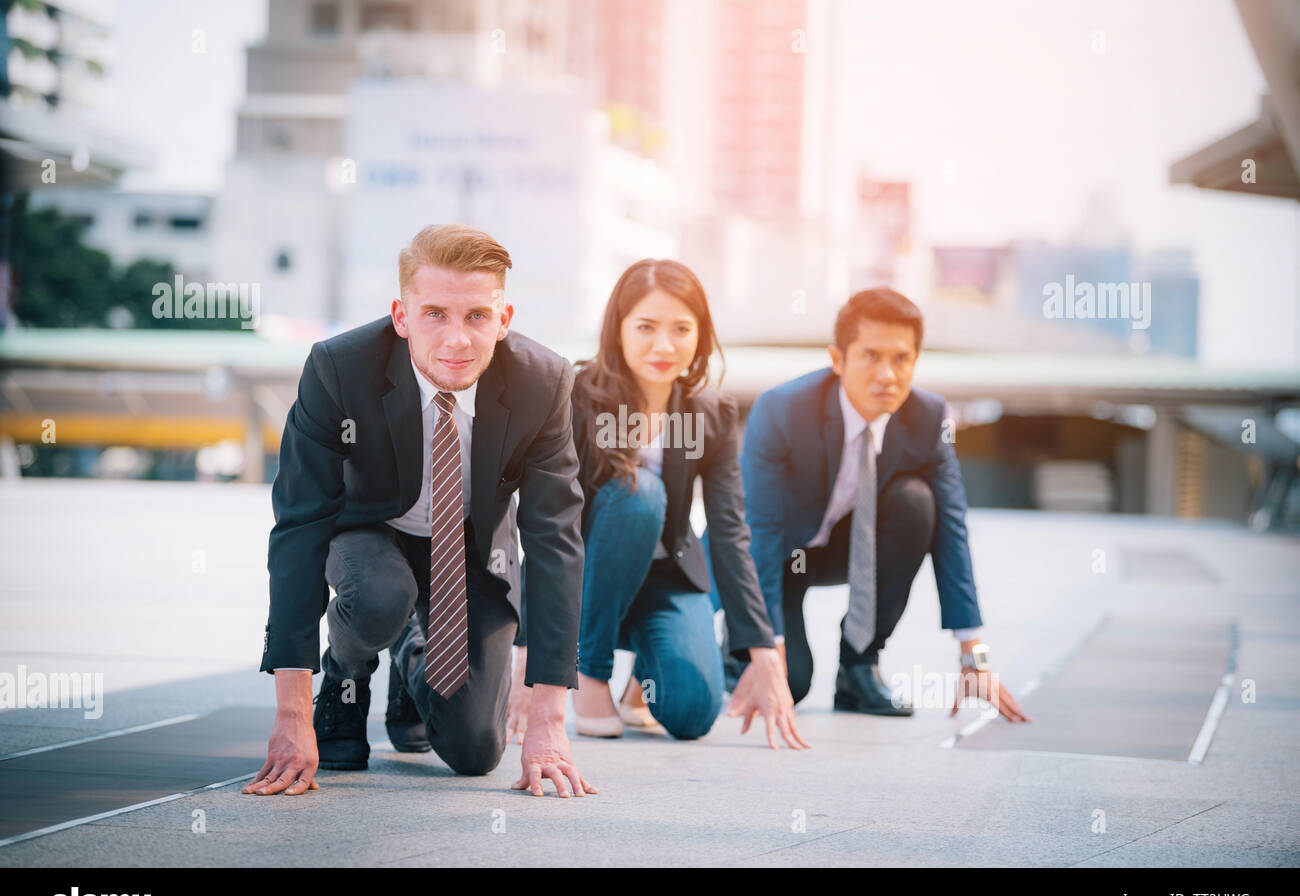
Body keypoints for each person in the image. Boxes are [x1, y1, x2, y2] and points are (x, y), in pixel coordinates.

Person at [244, 223, 596, 800]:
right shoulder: (339, 368)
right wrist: (291, 713)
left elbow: (556, 540)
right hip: (371, 532)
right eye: (435, 313)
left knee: (475, 752)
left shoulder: (546, 382)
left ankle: (413, 658)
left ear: (504, 320)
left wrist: (549, 721)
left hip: (474, 549)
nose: (457, 338)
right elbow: (299, 526)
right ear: (401, 316)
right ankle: (348, 676)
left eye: (477, 316)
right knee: (382, 597)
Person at [507, 259, 806, 749]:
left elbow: (730, 532)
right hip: (589, 580)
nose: (664, 345)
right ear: (618, 329)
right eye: (645, 327)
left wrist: (763, 649)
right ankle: (591, 671)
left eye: (681, 329)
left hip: (665, 576)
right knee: (638, 493)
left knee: (692, 713)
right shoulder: (577, 397)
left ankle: (639, 682)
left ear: (700, 335)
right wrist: (529, 646)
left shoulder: (711, 413)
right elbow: (549, 520)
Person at [727, 287, 1030, 722]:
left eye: (901, 359)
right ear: (838, 359)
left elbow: (952, 531)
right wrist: (765, 650)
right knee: (790, 682)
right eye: (870, 356)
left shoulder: (928, 417)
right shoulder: (782, 410)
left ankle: (859, 666)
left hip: (847, 551)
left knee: (917, 504)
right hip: (777, 553)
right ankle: (736, 649)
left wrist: (973, 654)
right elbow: (759, 533)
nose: (887, 374)